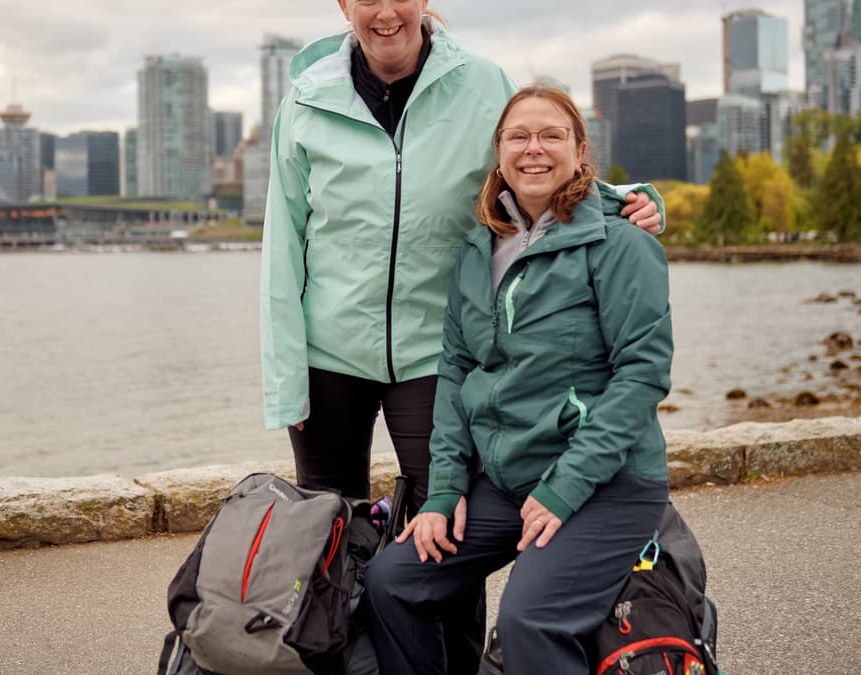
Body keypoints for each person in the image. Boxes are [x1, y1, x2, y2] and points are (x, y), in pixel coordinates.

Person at [259, 4, 662, 669]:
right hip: (328, 354)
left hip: (433, 352)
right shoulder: (307, 96)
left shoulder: (479, 81)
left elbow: (536, 160)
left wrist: (632, 200)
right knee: (327, 542)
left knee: (449, 532)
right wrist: (285, 379)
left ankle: (459, 662)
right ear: (342, 5)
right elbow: (284, 245)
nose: (384, 11)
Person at [363, 83, 674, 674]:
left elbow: (643, 375)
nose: (534, 149)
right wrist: (445, 491)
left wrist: (564, 488)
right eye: (518, 137)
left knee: (530, 620)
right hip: (509, 485)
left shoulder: (621, 244)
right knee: (392, 582)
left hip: (604, 483)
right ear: (500, 152)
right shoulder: (481, 248)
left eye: (552, 135)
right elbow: (456, 370)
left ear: (581, 152)